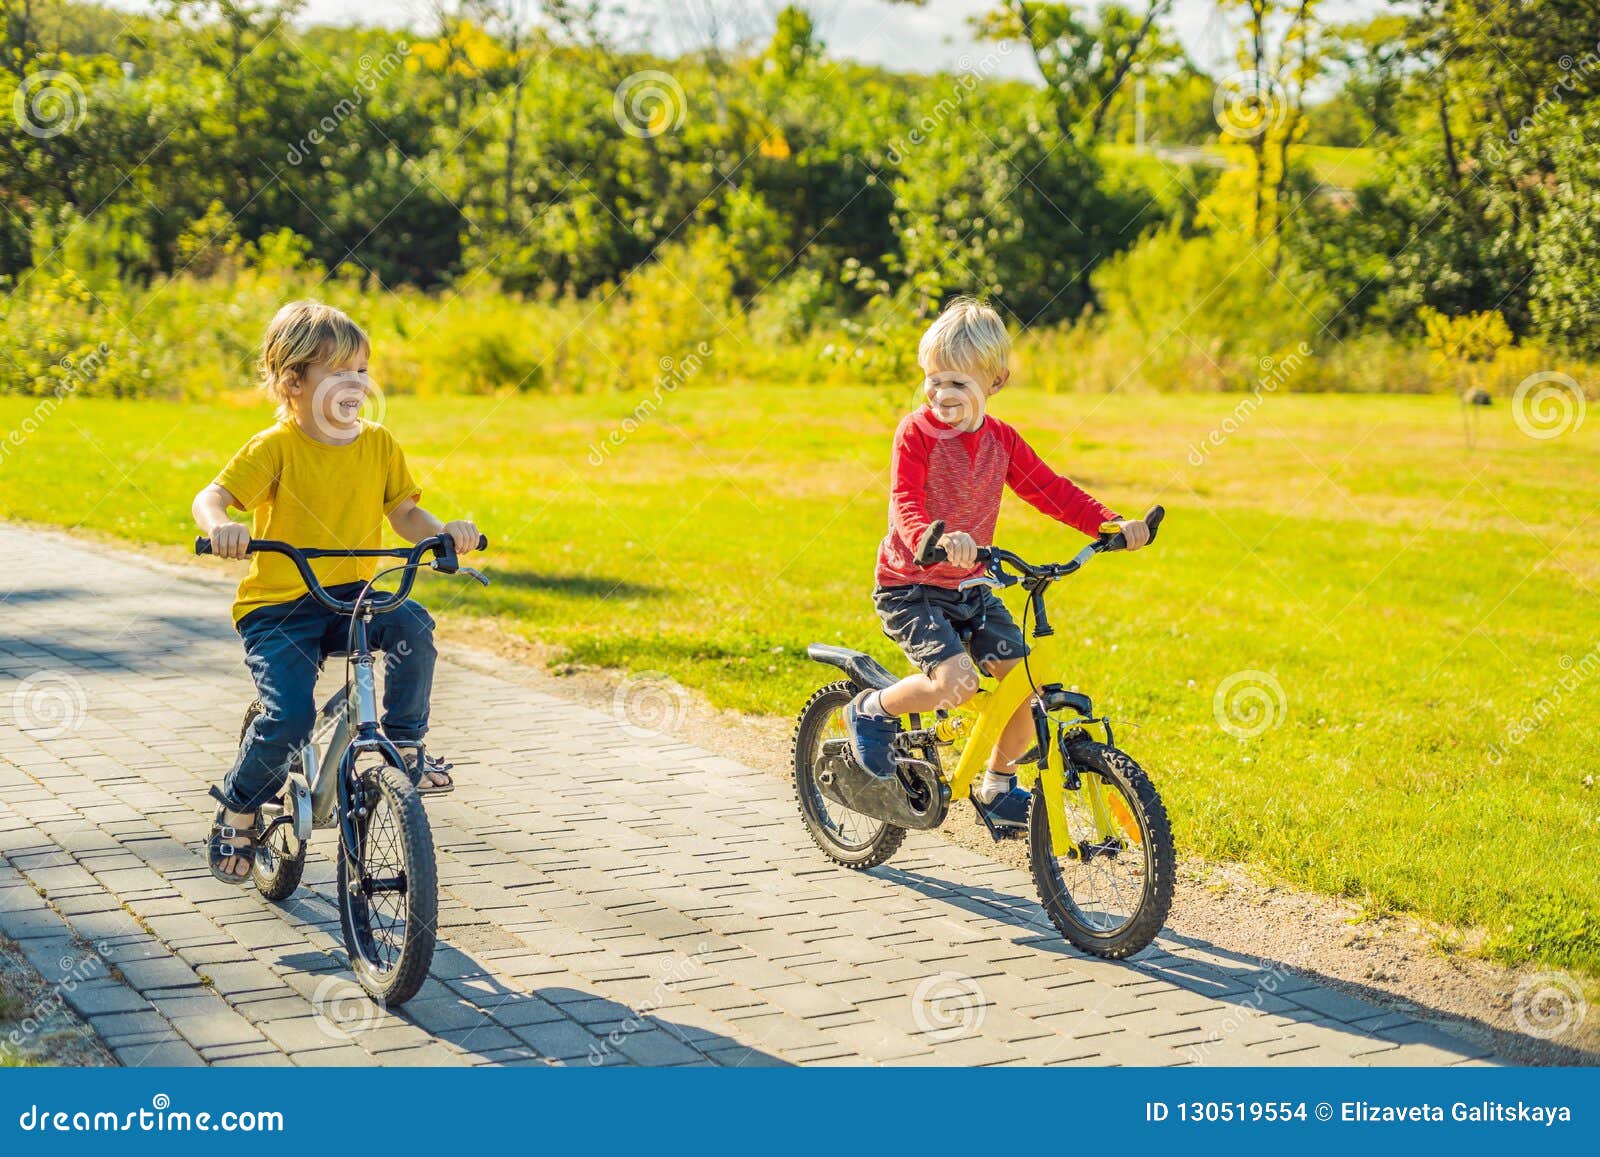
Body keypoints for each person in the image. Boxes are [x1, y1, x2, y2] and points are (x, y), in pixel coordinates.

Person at [191, 300, 481, 884]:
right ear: (293, 382)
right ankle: (239, 801)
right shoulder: (275, 446)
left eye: (364, 370)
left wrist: (445, 536)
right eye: (340, 371)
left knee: (413, 626)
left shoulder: (377, 443)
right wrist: (220, 526)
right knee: (290, 716)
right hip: (280, 606)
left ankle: (405, 745)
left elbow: (403, 513)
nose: (357, 383)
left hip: (353, 594)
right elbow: (211, 497)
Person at [846, 298, 1150, 835]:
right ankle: (872, 710)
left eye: (958, 384)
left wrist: (1107, 523)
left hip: (970, 587)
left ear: (996, 381)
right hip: (912, 586)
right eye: (933, 380)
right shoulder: (916, 432)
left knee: (1027, 686)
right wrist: (933, 539)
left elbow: (1049, 489)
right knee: (957, 681)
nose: (941, 395)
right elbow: (905, 502)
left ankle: (997, 784)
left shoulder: (1001, 441)